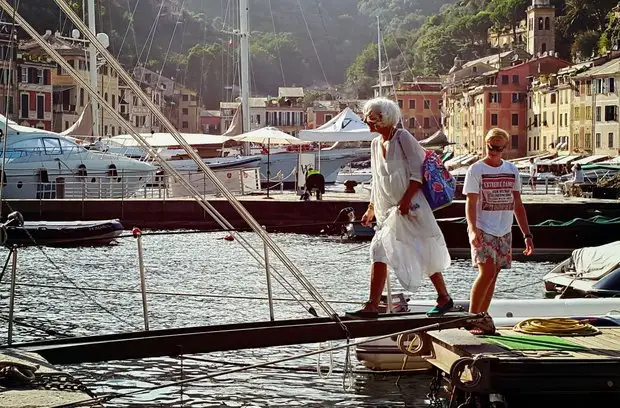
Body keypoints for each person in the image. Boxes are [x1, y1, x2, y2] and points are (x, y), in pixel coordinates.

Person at [346, 97, 453, 318]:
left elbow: (417, 174)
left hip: (411, 207)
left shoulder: (403, 138)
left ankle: (444, 297)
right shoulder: (375, 145)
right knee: (378, 251)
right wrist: (371, 208)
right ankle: (373, 305)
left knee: (423, 250)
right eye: (368, 118)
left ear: (385, 119)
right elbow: (377, 180)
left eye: (372, 119)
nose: (368, 123)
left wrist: (405, 202)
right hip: (389, 211)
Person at [463, 128, 534, 334]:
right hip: (483, 228)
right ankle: (472, 319)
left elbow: (518, 204)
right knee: (486, 272)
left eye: (498, 148)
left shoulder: (511, 169)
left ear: (505, 148)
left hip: (504, 230)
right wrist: (472, 229)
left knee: (494, 275)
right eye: (490, 147)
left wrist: (527, 235)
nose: (493, 151)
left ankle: (481, 318)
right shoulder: (476, 170)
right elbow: (470, 202)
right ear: (485, 144)